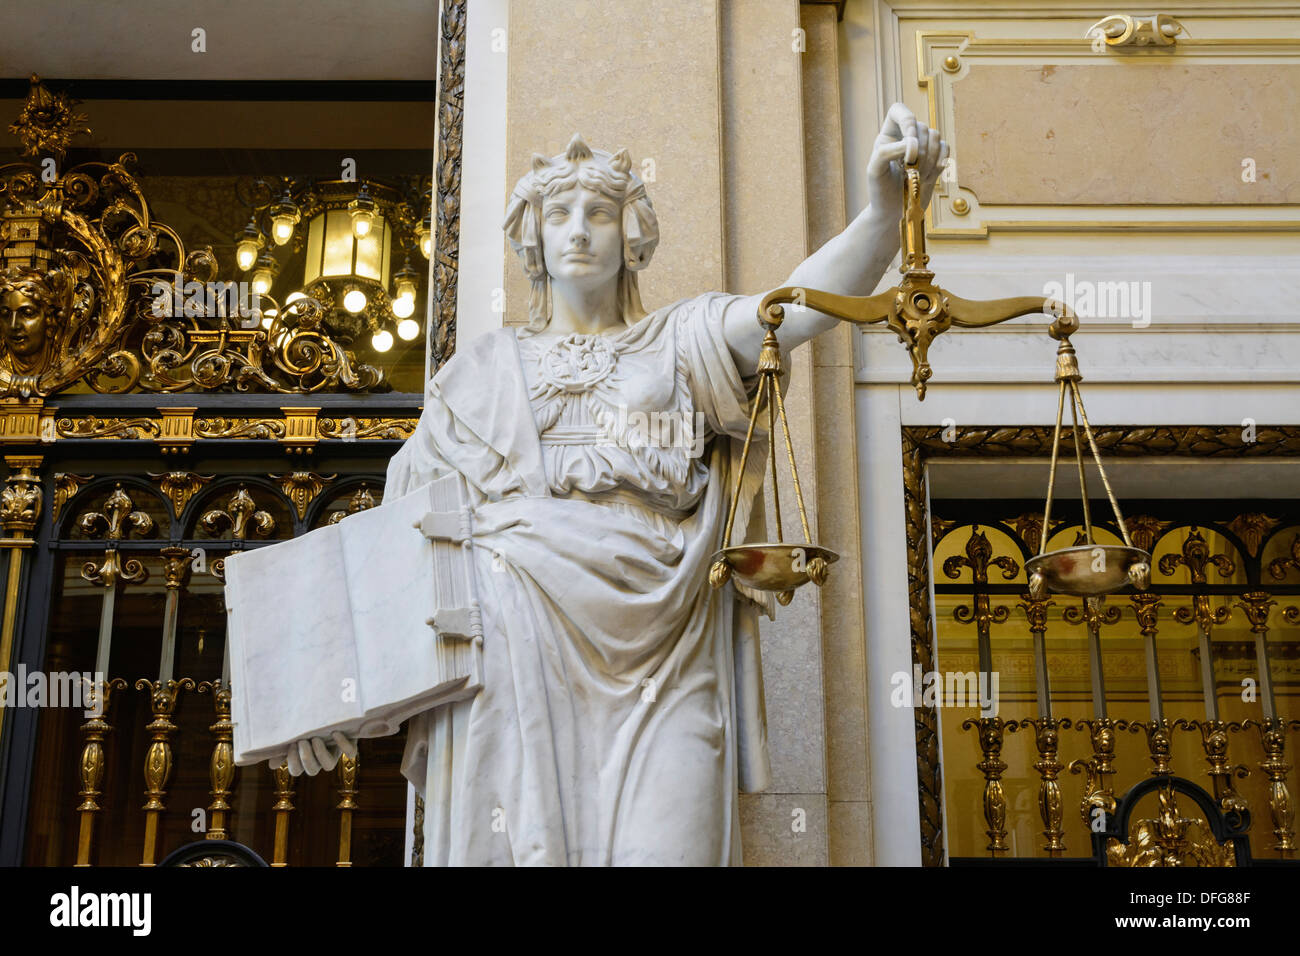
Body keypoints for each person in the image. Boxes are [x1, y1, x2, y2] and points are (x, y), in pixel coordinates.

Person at [281, 103, 947, 866]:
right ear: (532, 237)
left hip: (667, 659)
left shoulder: (683, 342)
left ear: (631, 234)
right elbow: (402, 548)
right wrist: (336, 693)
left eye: (598, 212)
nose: (577, 230)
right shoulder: (479, 376)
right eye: (558, 213)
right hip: (511, 659)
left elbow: (793, 311)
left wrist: (883, 215)